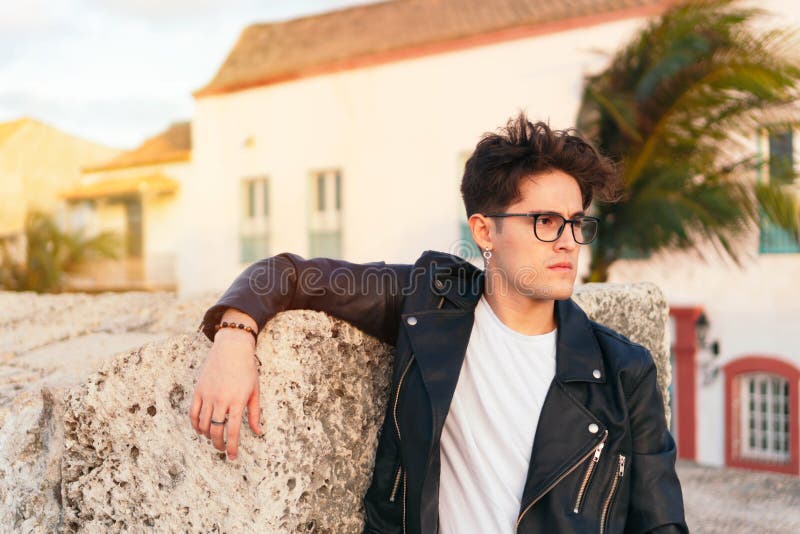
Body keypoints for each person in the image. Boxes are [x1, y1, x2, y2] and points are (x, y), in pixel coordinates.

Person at [189, 114, 688, 533]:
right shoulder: (428, 303)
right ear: (484, 231)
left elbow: (660, 521)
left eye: (576, 222)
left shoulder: (623, 369)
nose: (567, 242)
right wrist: (235, 337)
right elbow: (287, 274)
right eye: (546, 222)